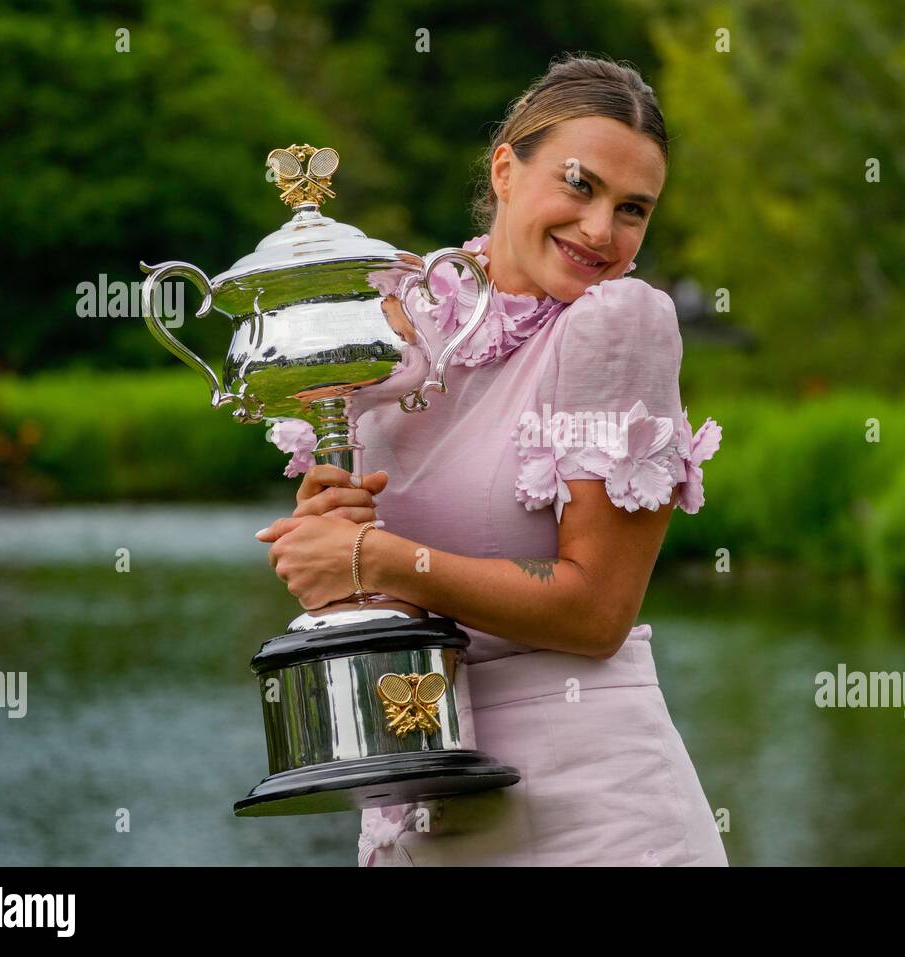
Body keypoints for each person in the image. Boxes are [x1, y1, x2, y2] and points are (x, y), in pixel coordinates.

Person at [255, 54, 725, 866]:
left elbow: (596, 611)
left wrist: (378, 555)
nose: (601, 231)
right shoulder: (400, 322)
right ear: (506, 167)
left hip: (591, 817)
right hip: (420, 800)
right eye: (579, 185)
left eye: (633, 209)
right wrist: (333, 551)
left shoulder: (618, 328)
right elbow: (384, 580)